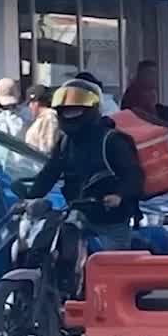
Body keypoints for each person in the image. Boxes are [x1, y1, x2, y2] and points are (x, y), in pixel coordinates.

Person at [18, 78, 145, 250]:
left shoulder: (112, 140)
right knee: (54, 249)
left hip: (110, 220)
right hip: (77, 214)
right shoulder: (65, 142)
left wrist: (119, 195)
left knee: (110, 261)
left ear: (92, 109)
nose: (69, 115)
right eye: (65, 111)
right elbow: (49, 173)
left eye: (75, 110)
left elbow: (134, 175)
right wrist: (30, 197)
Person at [24, 84, 60, 155]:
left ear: (36, 103)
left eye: (30, 103)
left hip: (38, 160)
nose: (29, 107)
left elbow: (46, 148)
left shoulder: (49, 118)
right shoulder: (41, 119)